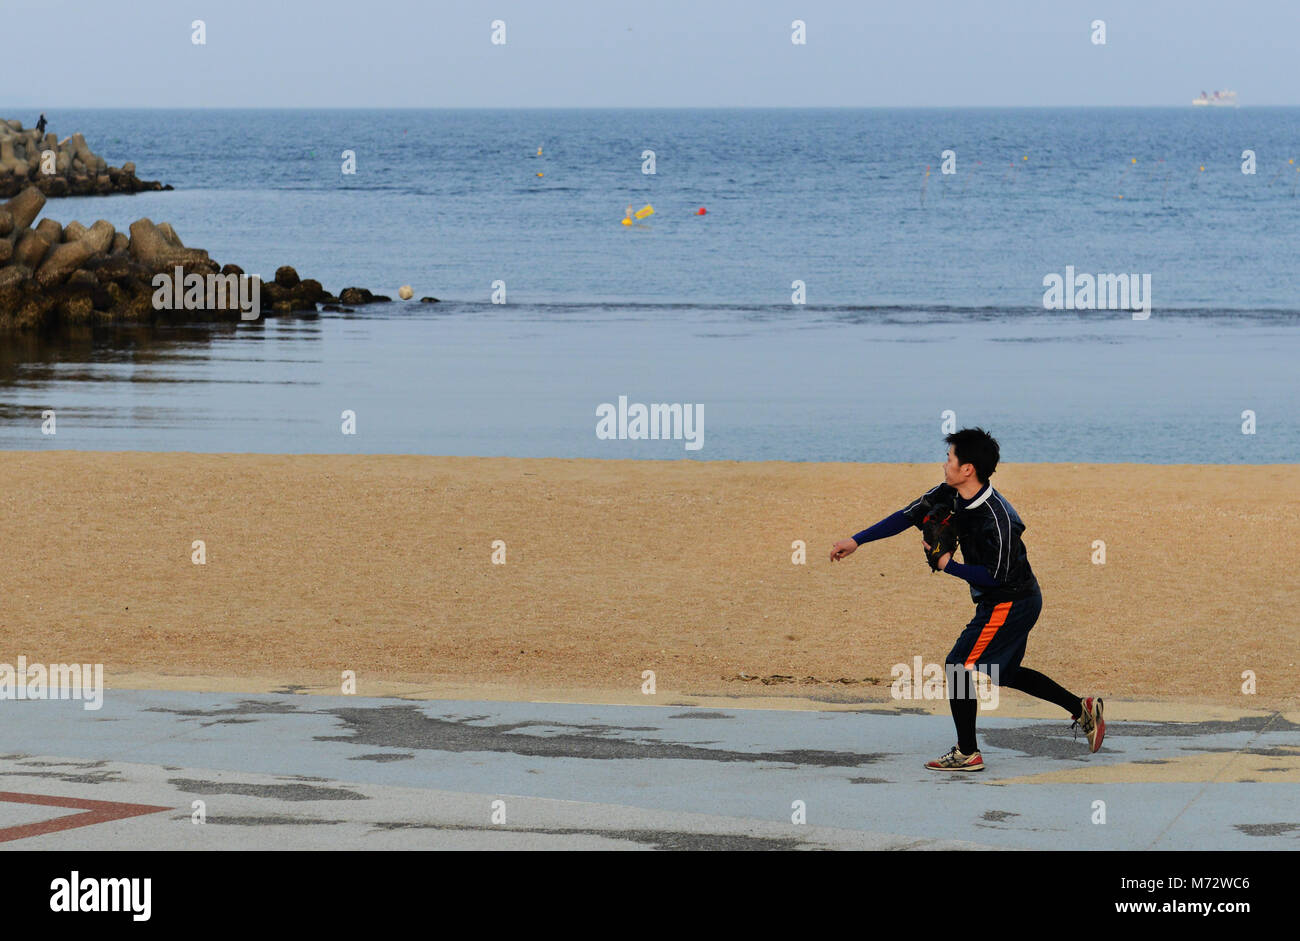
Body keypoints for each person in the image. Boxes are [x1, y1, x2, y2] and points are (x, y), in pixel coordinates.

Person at [829, 427, 1104, 771]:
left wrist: (948, 565)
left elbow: (997, 576)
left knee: (957, 665)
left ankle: (967, 752)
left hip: (1011, 600)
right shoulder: (949, 493)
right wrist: (857, 540)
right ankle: (1082, 708)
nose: (945, 464)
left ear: (968, 469)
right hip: (1004, 599)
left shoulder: (999, 519)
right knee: (1003, 672)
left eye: (949, 458)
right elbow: (906, 515)